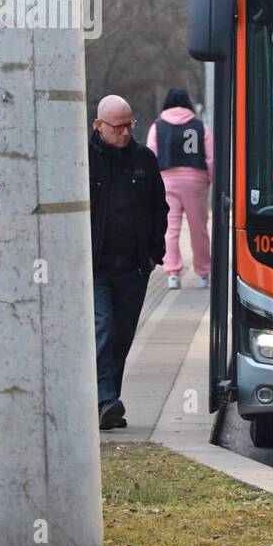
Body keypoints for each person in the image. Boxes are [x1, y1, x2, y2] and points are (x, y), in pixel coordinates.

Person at [88, 94, 168, 430]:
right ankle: (105, 399)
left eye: (129, 125)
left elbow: (158, 208)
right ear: (99, 125)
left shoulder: (143, 159)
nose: (124, 132)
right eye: (118, 127)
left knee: (122, 334)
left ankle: (106, 403)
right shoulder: (83, 159)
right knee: (103, 328)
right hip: (95, 265)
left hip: (133, 266)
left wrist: (153, 254)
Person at [146, 88, 212, 290]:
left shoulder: (157, 127)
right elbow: (211, 157)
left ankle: (172, 273)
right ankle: (203, 274)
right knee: (198, 228)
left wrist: (152, 184)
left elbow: (150, 155)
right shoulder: (200, 126)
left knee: (170, 228)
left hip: (167, 182)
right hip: (195, 181)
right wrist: (210, 179)